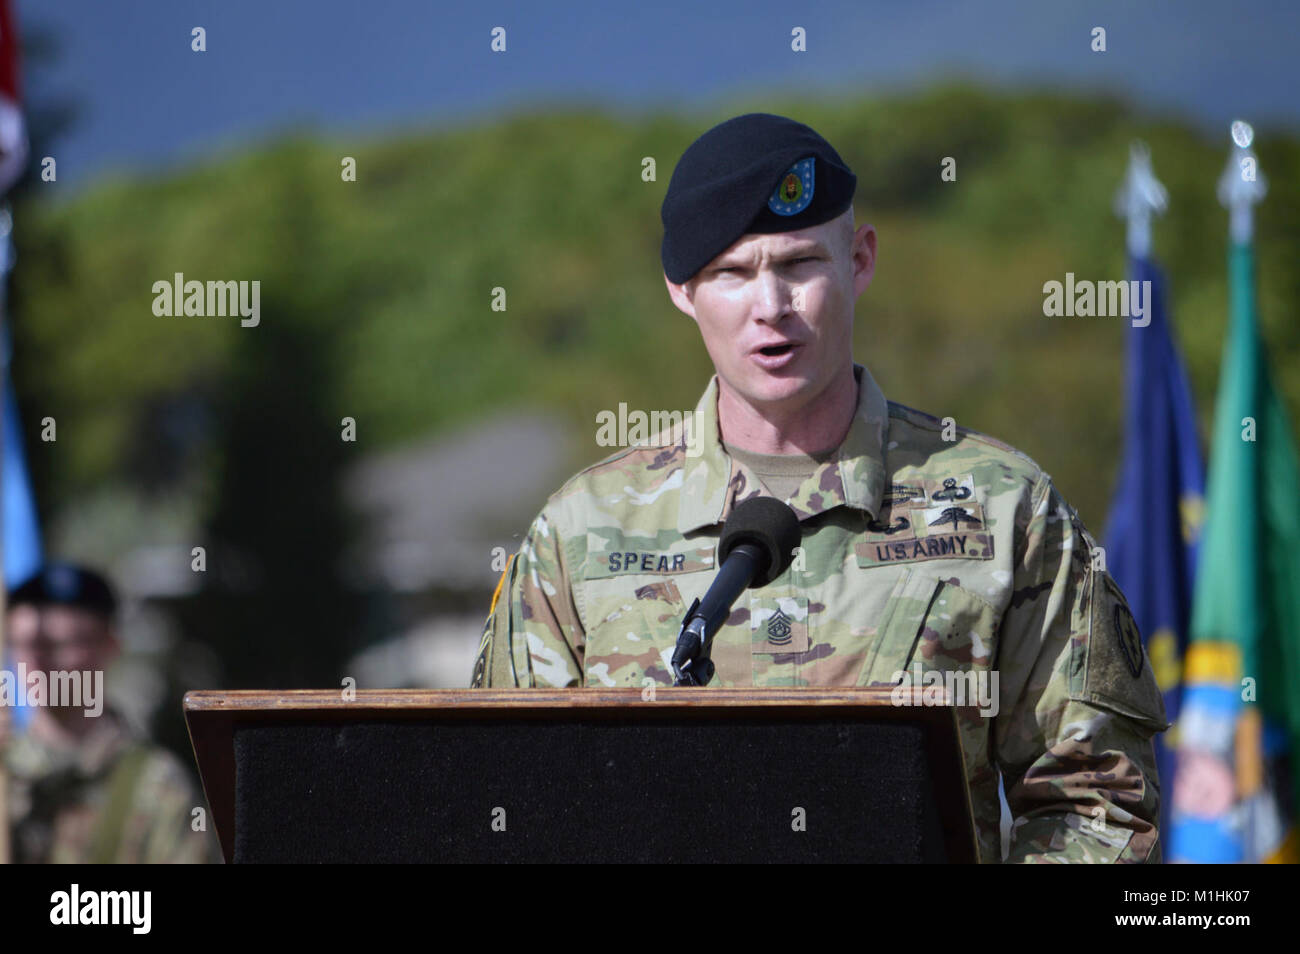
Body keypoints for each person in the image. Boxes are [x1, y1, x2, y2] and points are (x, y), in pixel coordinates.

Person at [470, 113, 1169, 863]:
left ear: (859, 258)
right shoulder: (581, 534)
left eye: (799, 263)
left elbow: (1096, 802)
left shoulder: (1004, 508)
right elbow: (499, 802)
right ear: (681, 290)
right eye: (732, 274)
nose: (771, 306)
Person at [2, 562, 217, 863]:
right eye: (26, 643)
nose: (38, 662)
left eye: (60, 644)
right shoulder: (6, 773)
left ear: (109, 646)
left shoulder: (157, 787)